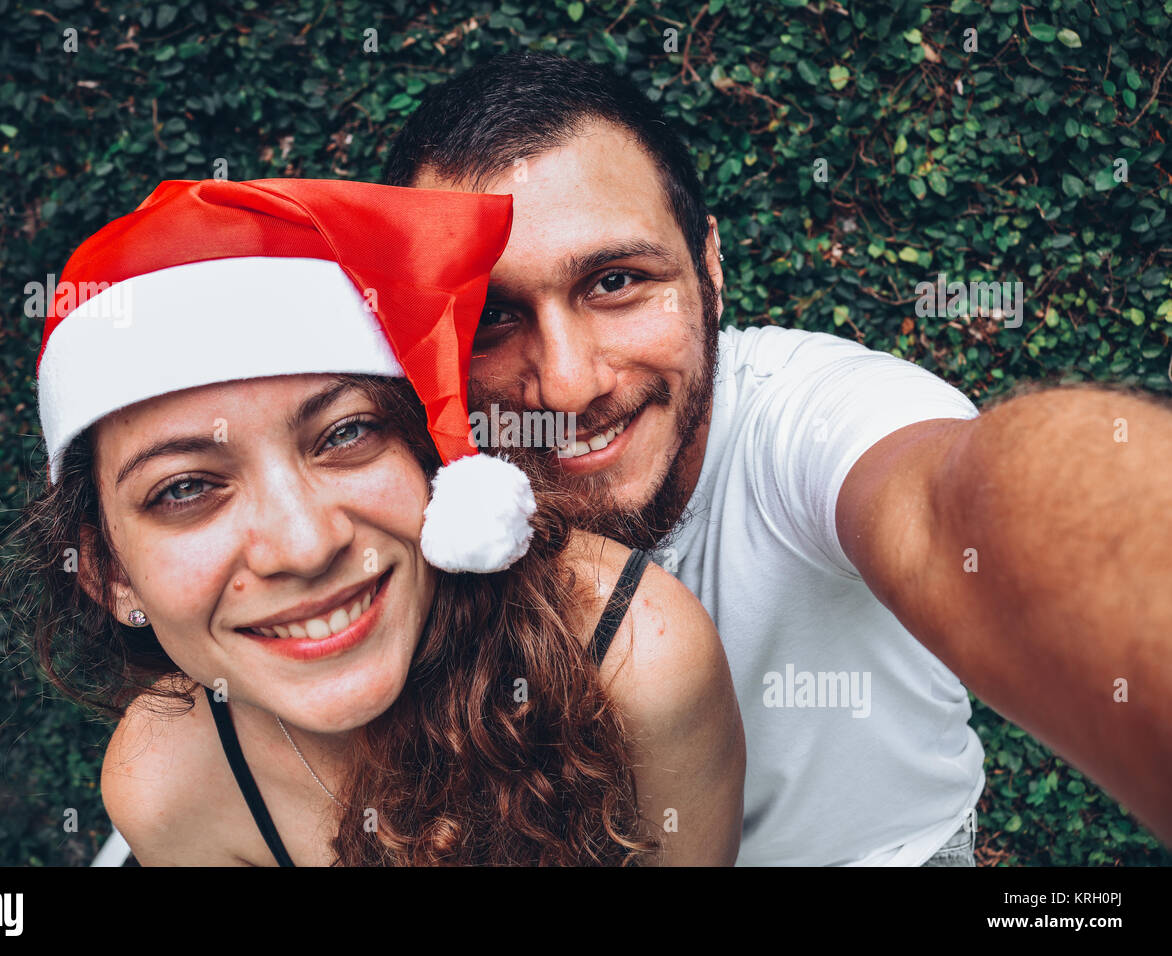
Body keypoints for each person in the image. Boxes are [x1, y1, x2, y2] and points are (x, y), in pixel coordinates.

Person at [383, 51, 1172, 864]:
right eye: (487, 320)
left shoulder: (814, 419)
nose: (568, 387)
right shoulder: (422, 489)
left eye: (616, 281)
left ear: (710, 267)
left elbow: (949, 506)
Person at [0, 177, 743, 866]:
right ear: (110, 573)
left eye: (346, 435)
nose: (305, 545)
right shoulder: (165, 787)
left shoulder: (636, 657)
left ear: (429, 460)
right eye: (185, 488)